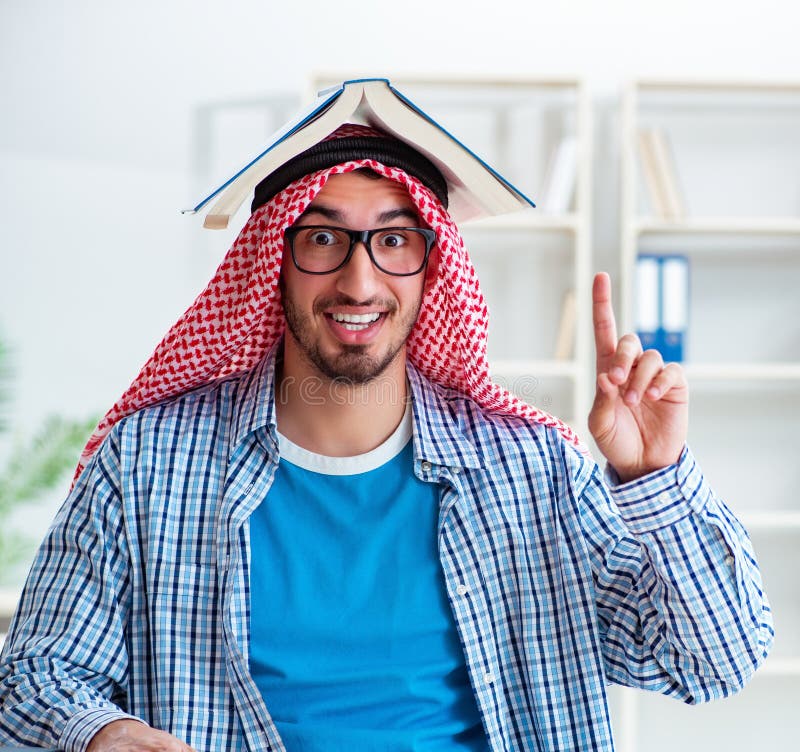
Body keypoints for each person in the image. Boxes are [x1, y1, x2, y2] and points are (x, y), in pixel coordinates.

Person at [0, 117, 773, 752]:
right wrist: (99, 733)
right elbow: (33, 678)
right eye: (323, 239)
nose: (360, 281)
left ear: (432, 268)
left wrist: (655, 478)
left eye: (395, 240)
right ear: (273, 259)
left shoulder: (534, 471)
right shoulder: (146, 465)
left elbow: (713, 663)